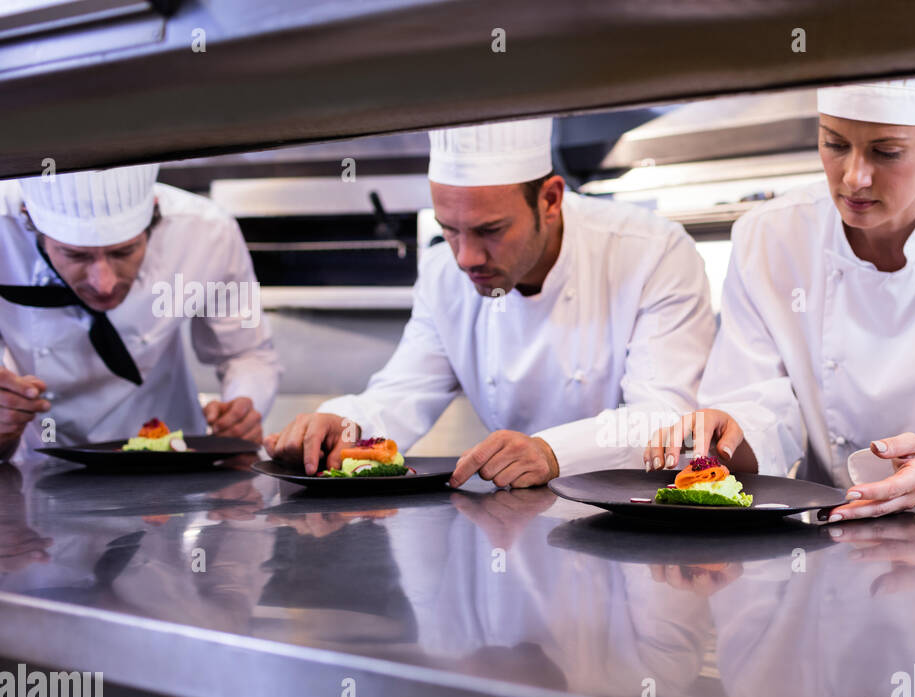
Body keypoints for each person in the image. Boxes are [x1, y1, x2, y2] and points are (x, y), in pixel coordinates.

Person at [646, 75, 915, 521]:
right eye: (834, 144)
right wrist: (731, 431)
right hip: (821, 530)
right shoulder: (768, 236)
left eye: (886, 152)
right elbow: (756, 400)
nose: (854, 177)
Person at [265, 118, 715, 487]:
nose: (466, 258)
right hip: (509, 522)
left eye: (490, 231)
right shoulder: (444, 274)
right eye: (450, 229)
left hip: (633, 533)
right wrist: (343, 422)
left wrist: (551, 452)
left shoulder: (652, 251)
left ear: (550, 200)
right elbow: (403, 393)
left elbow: (666, 417)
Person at [0, 164, 280, 461]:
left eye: (123, 252)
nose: (103, 284)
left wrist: (242, 407)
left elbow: (248, 352)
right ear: (28, 217)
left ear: (153, 215)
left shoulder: (207, 230)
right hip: (36, 467)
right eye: (75, 254)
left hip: (172, 460)